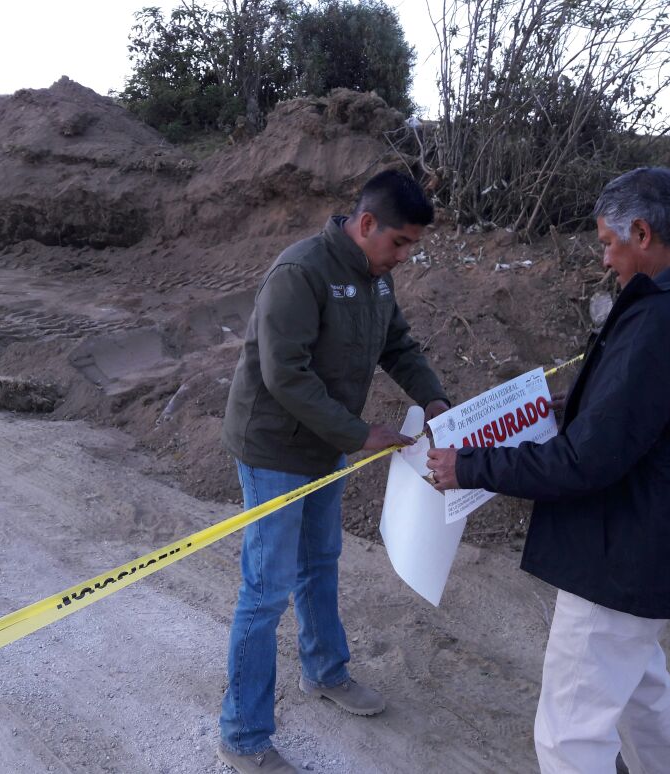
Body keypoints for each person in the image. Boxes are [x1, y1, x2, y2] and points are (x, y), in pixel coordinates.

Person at [425, 167, 670, 773]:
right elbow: (661, 417)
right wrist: (581, 408)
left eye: (609, 242)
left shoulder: (661, 320)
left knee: (569, 736)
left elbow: (585, 461)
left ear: (643, 234)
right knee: (639, 693)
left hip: (622, 554)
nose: (605, 260)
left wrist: (468, 466)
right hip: (664, 546)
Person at [218, 169, 450, 773]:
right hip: (273, 448)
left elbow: (398, 345)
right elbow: (285, 375)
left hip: (324, 445)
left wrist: (433, 398)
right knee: (266, 590)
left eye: (412, 246)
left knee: (320, 560)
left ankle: (324, 671)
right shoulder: (300, 273)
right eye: (400, 242)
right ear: (366, 224)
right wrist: (359, 434)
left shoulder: (376, 279)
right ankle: (243, 736)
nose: (404, 256)